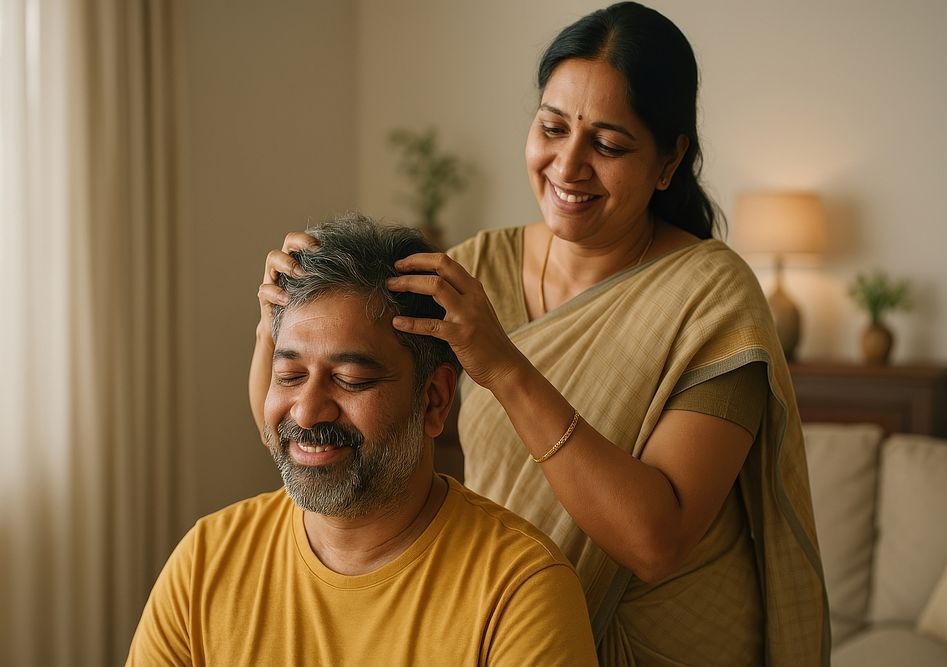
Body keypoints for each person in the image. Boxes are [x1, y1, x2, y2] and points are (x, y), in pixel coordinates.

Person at [251, 3, 829, 665]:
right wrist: (275, 322)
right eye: (552, 127)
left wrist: (504, 366)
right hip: (508, 627)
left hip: (664, 646)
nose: (569, 164)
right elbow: (305, 437)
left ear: (669, 160)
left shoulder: (712, 296)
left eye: (608, 145)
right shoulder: (472, 271)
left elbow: (655, 539)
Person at [131, 215, 598, 665]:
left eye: (351, 379)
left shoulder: (518, 590)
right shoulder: (205, 561)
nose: (308, 411)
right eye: (290, 375)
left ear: (434, 401)